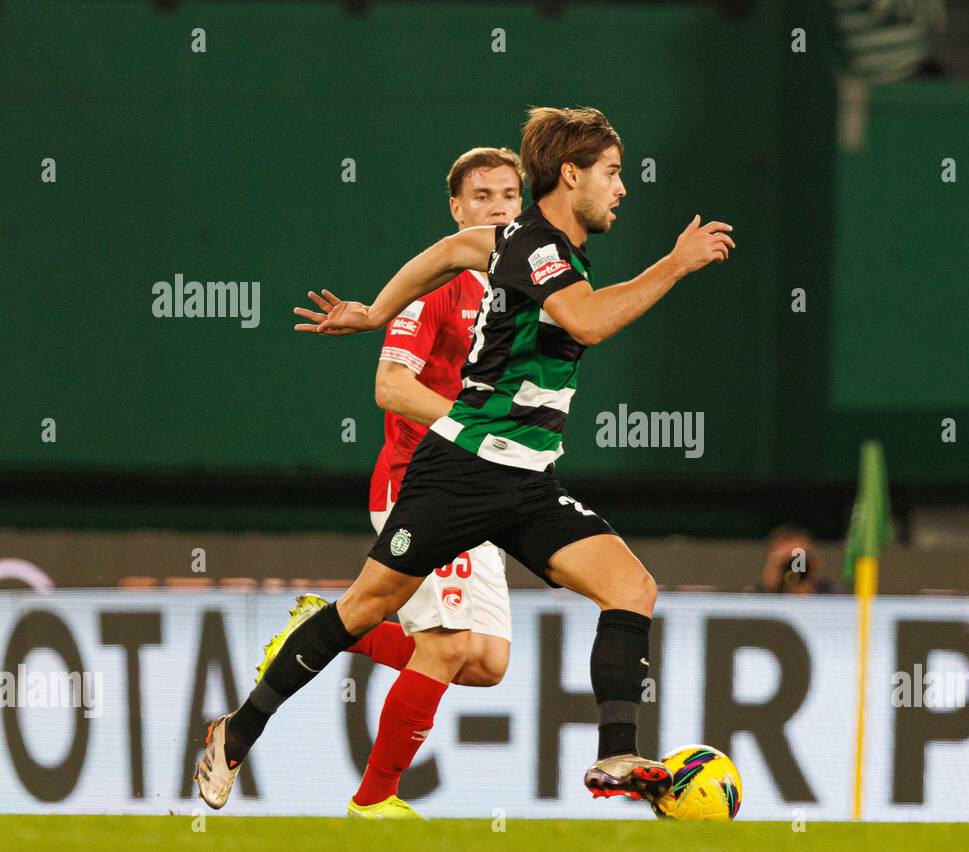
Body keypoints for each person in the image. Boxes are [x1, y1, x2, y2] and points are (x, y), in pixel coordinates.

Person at [195, 106, 734, 810]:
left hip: (528, 479)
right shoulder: (540, 248)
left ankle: (615, 757)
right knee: (364, 608)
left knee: (631, 588)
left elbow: (448, 252)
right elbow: (589, 321)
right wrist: (675, 264)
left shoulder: (518, 241)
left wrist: (375, 309)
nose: (622, 188)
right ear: (570, 176)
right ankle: (237, 731)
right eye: (611, 173)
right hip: (463, 470)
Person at [250, 148, 525, 819]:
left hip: (479, 485)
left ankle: (323, 626)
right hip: (418, 483)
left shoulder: (527, 292)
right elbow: (390, 386)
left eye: (510, 196)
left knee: (487, 662)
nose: (497, 208)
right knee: (450, 645)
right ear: (457, 210)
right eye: (482, 196)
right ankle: (374, 801)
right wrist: (478, 428)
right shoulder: (434, 287)